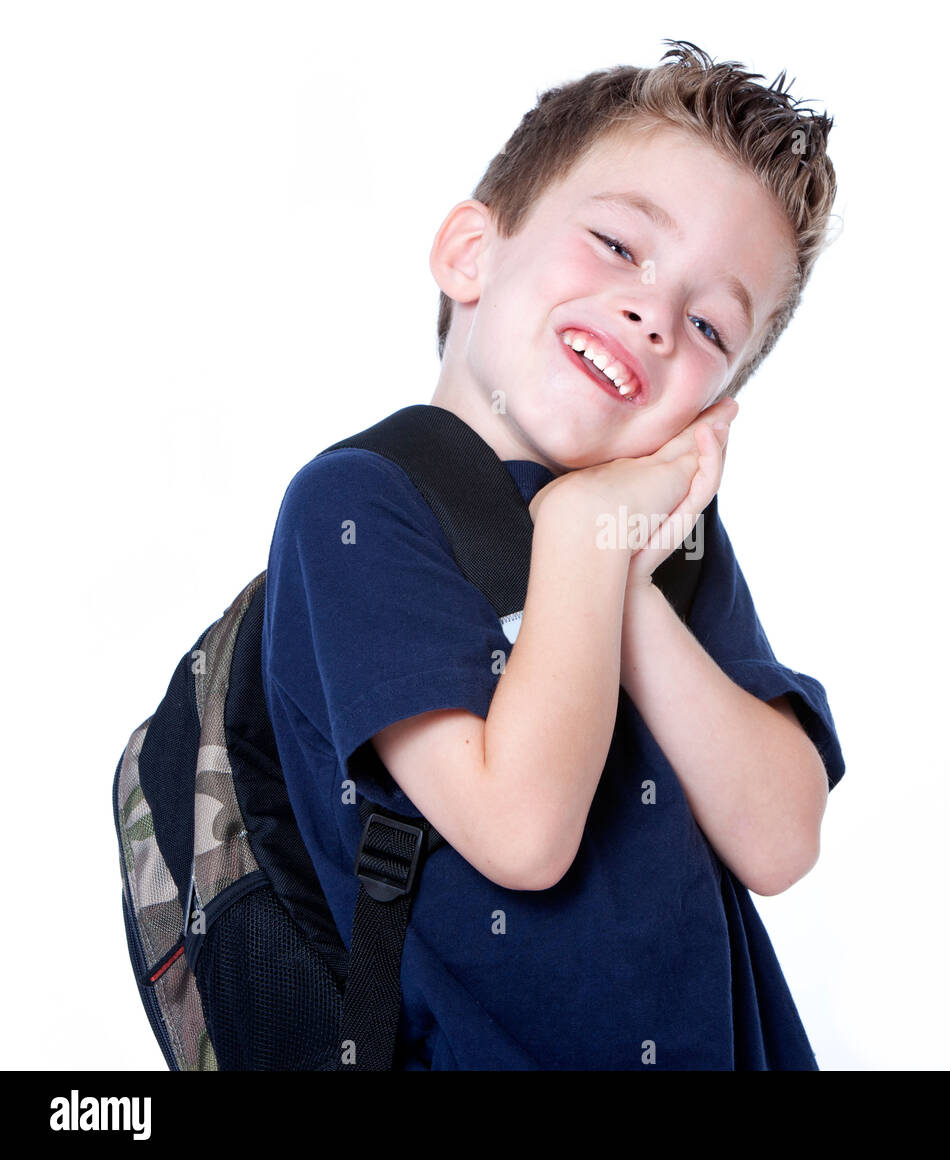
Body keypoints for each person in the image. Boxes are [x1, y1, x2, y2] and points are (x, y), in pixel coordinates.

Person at [262, 39, 846, 1069]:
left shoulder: (662, 536)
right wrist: (582, 537)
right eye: (620, 245)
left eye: (711, 324)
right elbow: (523, 832)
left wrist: (623, 562)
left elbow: (780, 837)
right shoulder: (362, 502)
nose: (654, 316)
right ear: (471, 254)